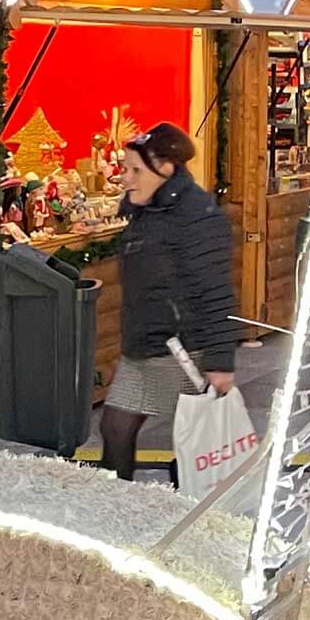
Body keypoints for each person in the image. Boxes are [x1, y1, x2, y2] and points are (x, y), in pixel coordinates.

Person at [98, 123, 238, 483]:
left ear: (166, 168)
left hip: (183, 348)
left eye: (135, 171)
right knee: (116, 427)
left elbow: (216, 291)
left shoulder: (195, 217)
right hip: (147, 346)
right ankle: (114, 511)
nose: (125, 179)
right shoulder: (145, 212)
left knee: (192, 441)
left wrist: (221, 363)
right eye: (124, 169)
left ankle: (190, 512)